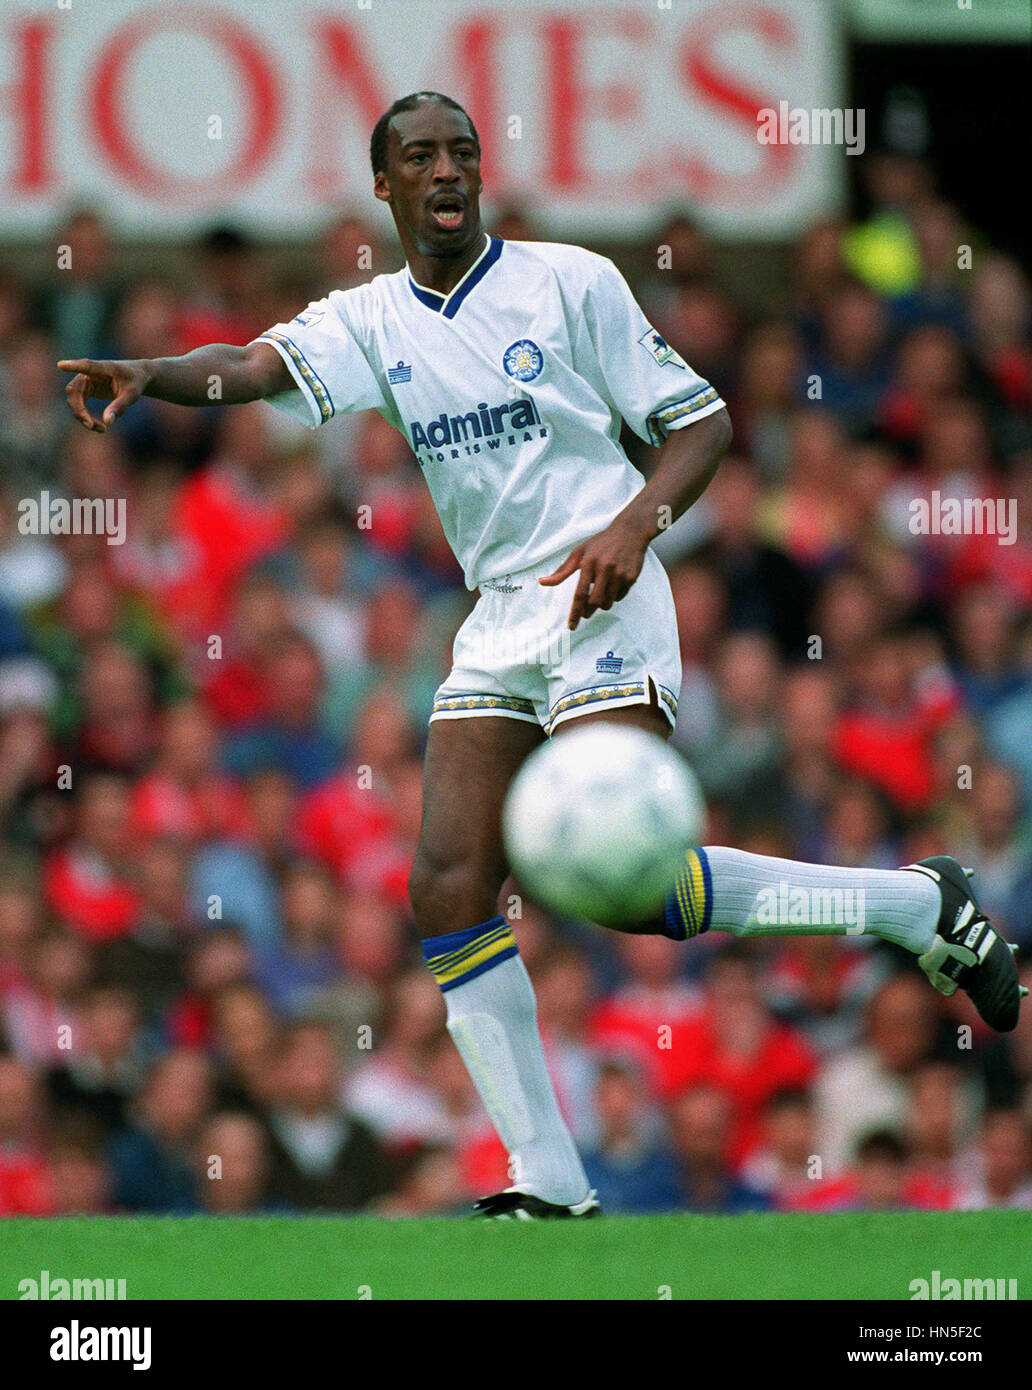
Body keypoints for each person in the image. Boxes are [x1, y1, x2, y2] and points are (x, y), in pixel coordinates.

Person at [58, 91, 1024, 1220]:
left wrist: (635, 524)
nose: (447, 170)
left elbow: (701, 424)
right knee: (447, 888)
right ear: (386, 187)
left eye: (462, 150)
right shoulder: (373, 318)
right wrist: (150, 373)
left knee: (621, 889)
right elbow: (259, 367)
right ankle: (553, 1178)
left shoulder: (572, 281)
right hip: (502, 612)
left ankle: (912, 906)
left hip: (608, 591)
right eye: (419, 156)